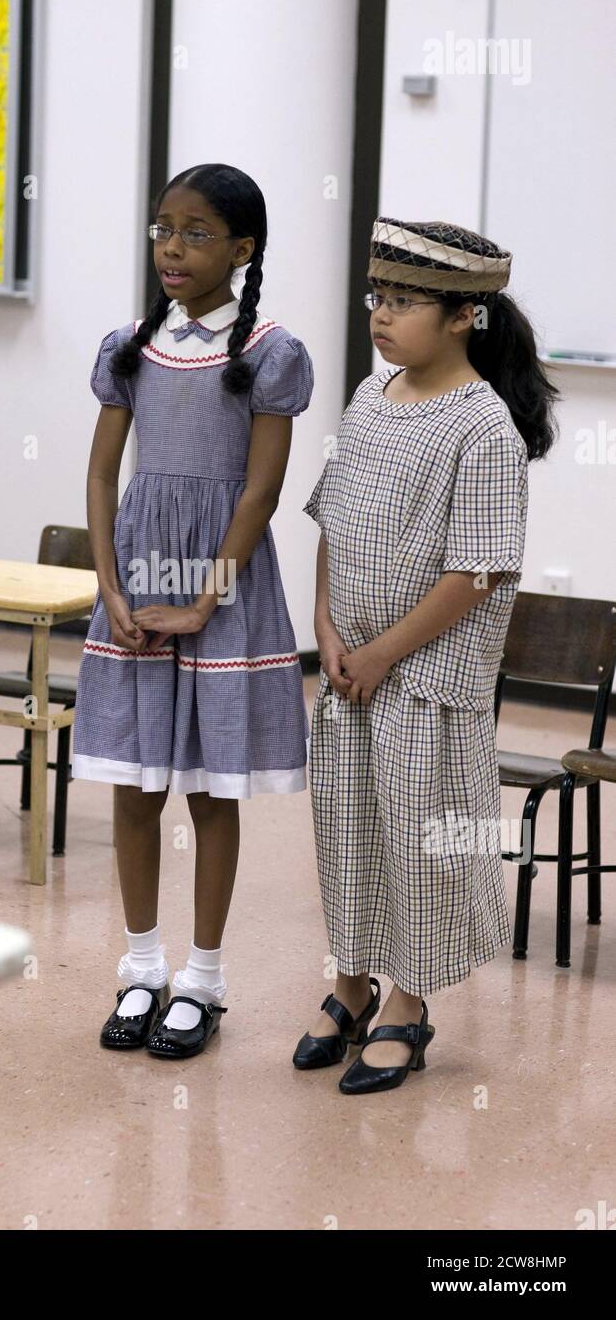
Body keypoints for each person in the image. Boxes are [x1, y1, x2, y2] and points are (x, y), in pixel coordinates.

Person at [295, 216, 559, 1093]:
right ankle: (349, 981)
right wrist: (330, 633)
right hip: (350, 677)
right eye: (378, 297)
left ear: (462, 318)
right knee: (346, 834)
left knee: (421, 846)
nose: (382, 316)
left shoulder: (482, 427)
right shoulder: (370, 398)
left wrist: (380, 654)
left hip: (424, 681)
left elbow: (474, 573)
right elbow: (331, 518)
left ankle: (408, 1003)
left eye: (404, 302)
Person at [71, 163, 315, 1059]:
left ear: (241, 250)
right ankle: (140, 968)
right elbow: (102, 474)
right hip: (136, 580)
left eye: (197, 233)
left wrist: (205, 596)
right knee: (136, 785)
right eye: (162, 229)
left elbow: (260, 492)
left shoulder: (269, 353)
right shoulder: (130, 344)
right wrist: (111, 583)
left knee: (212, 793)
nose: (172, 248)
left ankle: (202, 983)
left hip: (223, 584)